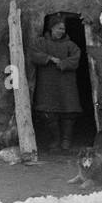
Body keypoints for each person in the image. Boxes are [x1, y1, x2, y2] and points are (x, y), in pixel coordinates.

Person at [28, 15, 83, 151]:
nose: (61, 31)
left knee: (68, 112)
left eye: (63, 29)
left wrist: (63, 63)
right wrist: (49, 58)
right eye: (59, 28)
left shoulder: (70, 45)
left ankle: (66, 140)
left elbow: (76, 57)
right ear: (51, 28)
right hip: (47, 83)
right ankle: (55, 139)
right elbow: (33, 53)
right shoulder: (41, 43)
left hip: (66, 83)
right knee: (48, 112)